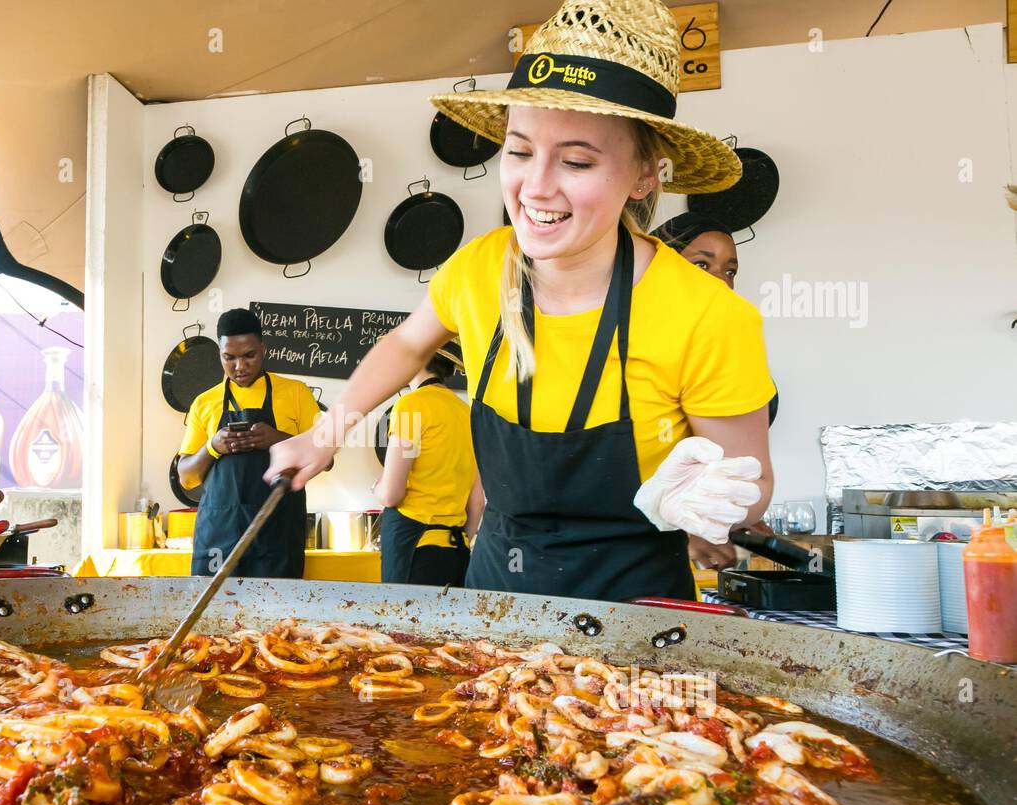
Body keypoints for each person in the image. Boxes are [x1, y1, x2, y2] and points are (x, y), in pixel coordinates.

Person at [268, 0, 774, 602]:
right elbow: (407, 343)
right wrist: (328, 432)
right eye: (519, 150)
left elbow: (752, 481)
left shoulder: (707, 316)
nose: (535, 188)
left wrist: (706, 501)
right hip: (499, 606)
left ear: (644, 177)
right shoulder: (482, 267)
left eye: (577, 160)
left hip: (638, 615)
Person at [654, 211, 780, 571]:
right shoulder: (632, 352)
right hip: (655, 549)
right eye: (701, 266)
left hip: (708, 556)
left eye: (730, 271)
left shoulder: (730, 344)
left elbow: (741, 467)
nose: (721, 283)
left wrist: (737, 517)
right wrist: (695, 526)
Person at [177, 307, 320, 578]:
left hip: (277, 535)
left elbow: (326, 459)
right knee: (214, 615)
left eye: (249, 355)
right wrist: (212, 447)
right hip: (219, 535)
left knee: (276, 618)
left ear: (263, 348)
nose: (239, 366)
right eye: (229, 358)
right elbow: (187, 477)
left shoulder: (295, 393)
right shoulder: (204, 402)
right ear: (219, 354)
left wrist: (276, 439)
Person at [373, 345, 481, 586]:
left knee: (400, 623)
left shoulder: (411, 406)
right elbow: (477, 502)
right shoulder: (466, 413)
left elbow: (391, 495)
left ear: (419, 359)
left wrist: (376, 488)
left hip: (413, 547)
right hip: (456, 549)